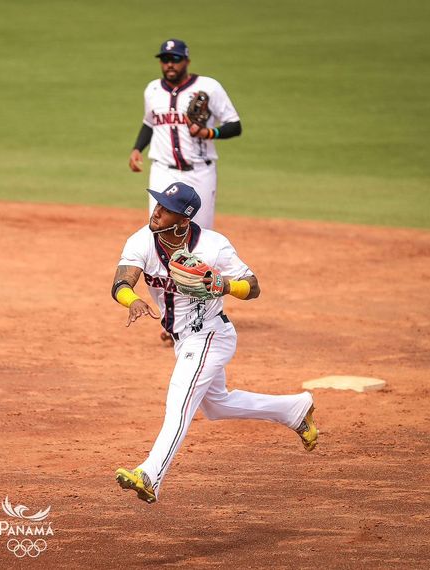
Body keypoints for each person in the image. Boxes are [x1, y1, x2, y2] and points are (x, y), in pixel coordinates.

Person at [110, 182, 317, 504]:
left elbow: (253, 286)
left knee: (179, 402)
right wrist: (132, 300)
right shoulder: (142, 240)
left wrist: (226, 286)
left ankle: (150, 474)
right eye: (158, 204)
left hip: (210, 335)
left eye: (166, 209)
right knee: (217, 405)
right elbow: (121, 282)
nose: (157, 211)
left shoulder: (214, 246)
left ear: (183, 220)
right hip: (182, 341)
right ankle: (294, 410)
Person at [128, 39, 242, 230]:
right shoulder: (152, 90)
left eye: (175, 59)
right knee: (158, 228)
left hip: (199, 172)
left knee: (199, 231)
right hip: (163, 172)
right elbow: (149, 123)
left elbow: (235, 125)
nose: (169, 64)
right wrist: (137, 148)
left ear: (187, 61)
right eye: (165, 59)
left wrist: (209, 132)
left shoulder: (209, 87)